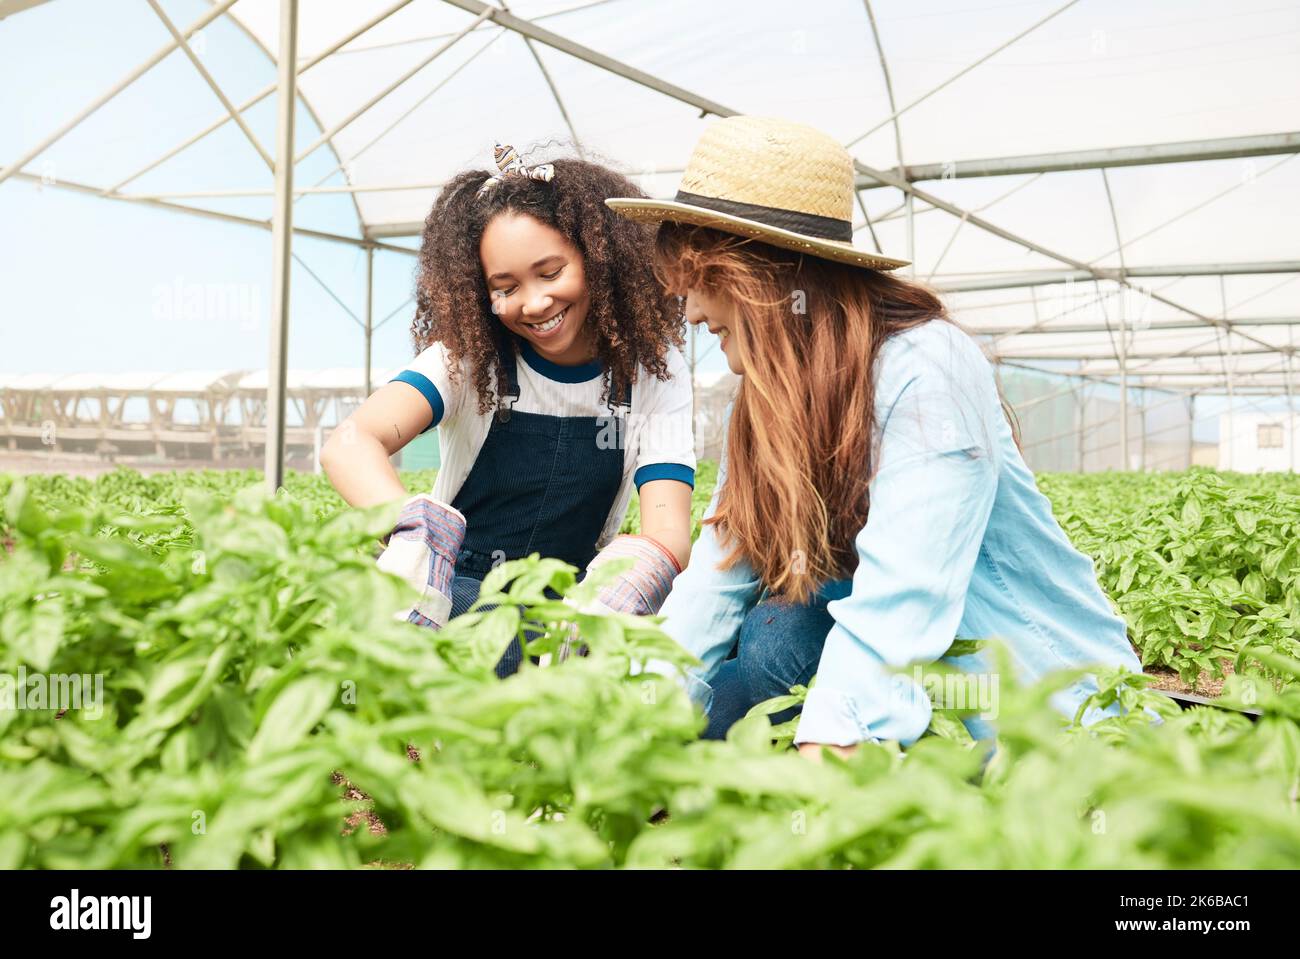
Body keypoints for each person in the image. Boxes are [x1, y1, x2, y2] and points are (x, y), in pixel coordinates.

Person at [605, 116, 1143, 757]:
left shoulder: (925, 366)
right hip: (915, 677)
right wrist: (627, 725)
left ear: (769, 279)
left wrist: (831, 759)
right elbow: (718, 578)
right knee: (775, 640)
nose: (690, 312)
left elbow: (902, 600)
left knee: (794, 660)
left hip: (1022, 697)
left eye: (701, 283)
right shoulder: (768, 398)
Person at [322, 143, 695, 676]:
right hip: (454, 588)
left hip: (572, 596)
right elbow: (351, 444)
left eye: (551, 272)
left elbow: (667, 528)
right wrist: (415, 535)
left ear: (599, 256)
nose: (535, 302)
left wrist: (626, 583)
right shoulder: (470, 358)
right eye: (506, 287)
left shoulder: (651, 372)